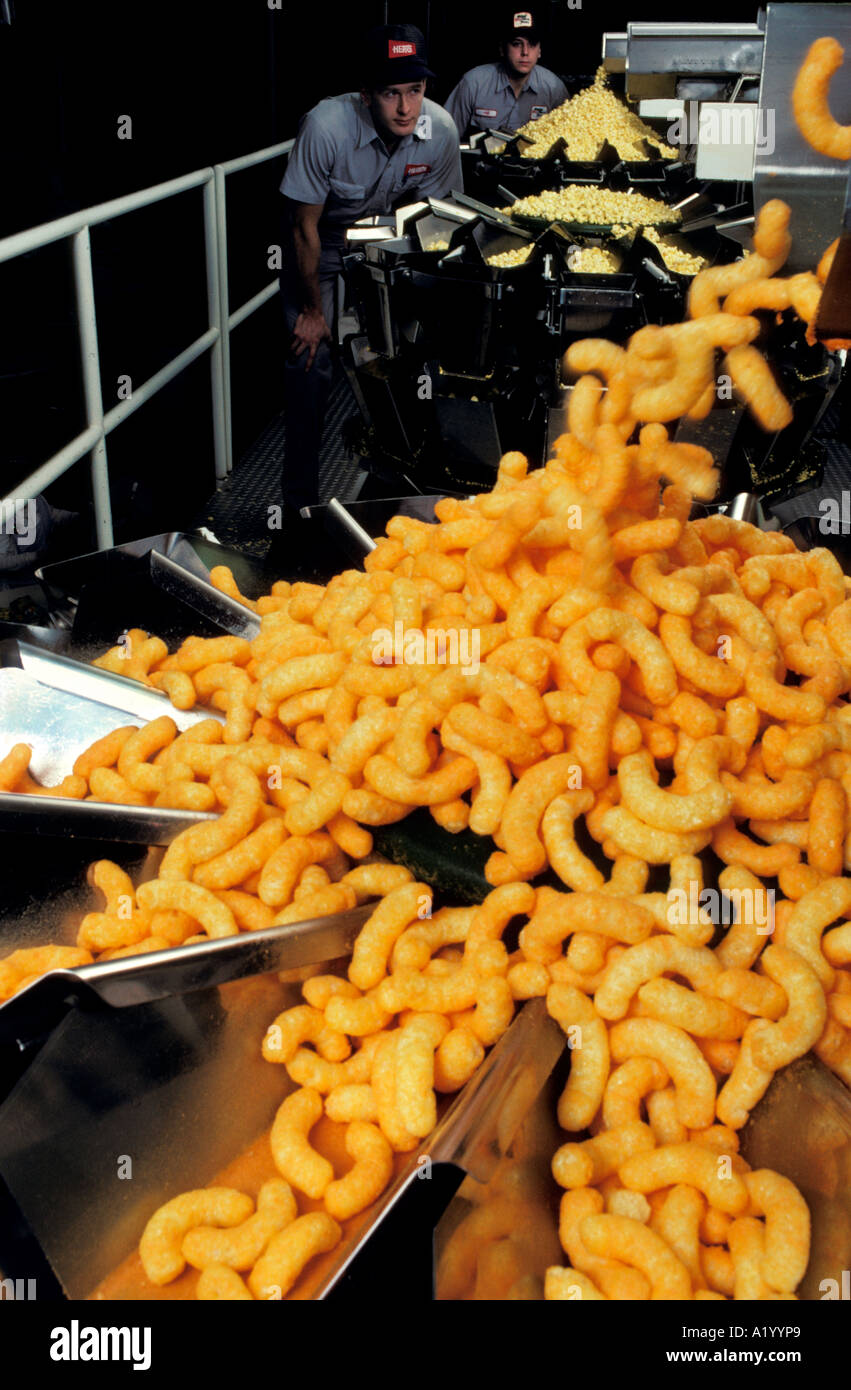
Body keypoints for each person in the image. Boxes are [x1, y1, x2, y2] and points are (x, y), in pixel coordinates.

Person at [277, 24, 462, 520]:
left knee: (408, 360)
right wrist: (315, 311)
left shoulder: (440, 129)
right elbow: (303, 229)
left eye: (415, 92)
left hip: (387, 250)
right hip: (325, 250)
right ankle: (299, 511)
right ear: (366, 95)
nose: (405, 108)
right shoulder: (326, 126)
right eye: (391, 94)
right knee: (309, 364)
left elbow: (440, 225)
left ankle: (396, 497)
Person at [444, 9, 568, 141]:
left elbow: (569, 143)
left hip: (533, 161)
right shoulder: (474, 83)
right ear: (502, 49)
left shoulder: (554, 88)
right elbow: (445, 136)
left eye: (531, 44)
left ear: (539, 51)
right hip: (481, 161)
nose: (525, 52)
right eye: (516, 44)